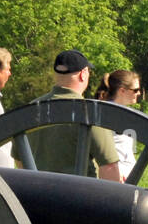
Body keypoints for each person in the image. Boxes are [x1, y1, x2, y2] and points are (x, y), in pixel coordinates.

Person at [24, 50, 123, 180]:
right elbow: (109, 168)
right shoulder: (90, 112)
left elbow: (21, 160)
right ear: (83, 74)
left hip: (35, 194)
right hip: (80, 196)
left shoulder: (31, 108)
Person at [95, 70, 142, 181]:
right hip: (116, 178)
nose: (139, 93)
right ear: (122, 91)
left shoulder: (122, 113)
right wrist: (116, 175)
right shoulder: (107, 113)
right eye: (135, 90)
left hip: (124, 177)